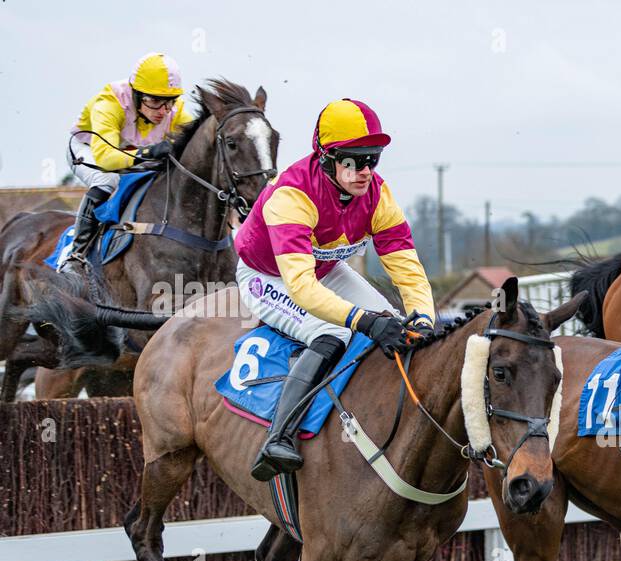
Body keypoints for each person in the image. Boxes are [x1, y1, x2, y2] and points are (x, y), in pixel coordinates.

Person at [233, 98, 437, 481]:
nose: (365, 172)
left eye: (372, 160)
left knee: (397, 324)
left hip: (325, 267)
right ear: (326, 158)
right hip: (269, 275)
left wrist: (424, 316)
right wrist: (365, 322)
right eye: (353, 161)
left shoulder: (378, 194)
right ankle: (279, 437)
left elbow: (406, 267)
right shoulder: (292, 195)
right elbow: (302, 287)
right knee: (333, 331)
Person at [64, 53, 194, 266]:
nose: (163, 111)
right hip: (88, 150)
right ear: (136, 94)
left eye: (169, 102)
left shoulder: (175, 111)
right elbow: (106, 158)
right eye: (155, 101)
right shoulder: (109, 102)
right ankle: (77, 254)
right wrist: (147, 154)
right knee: (107, 181)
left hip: (130, 152)